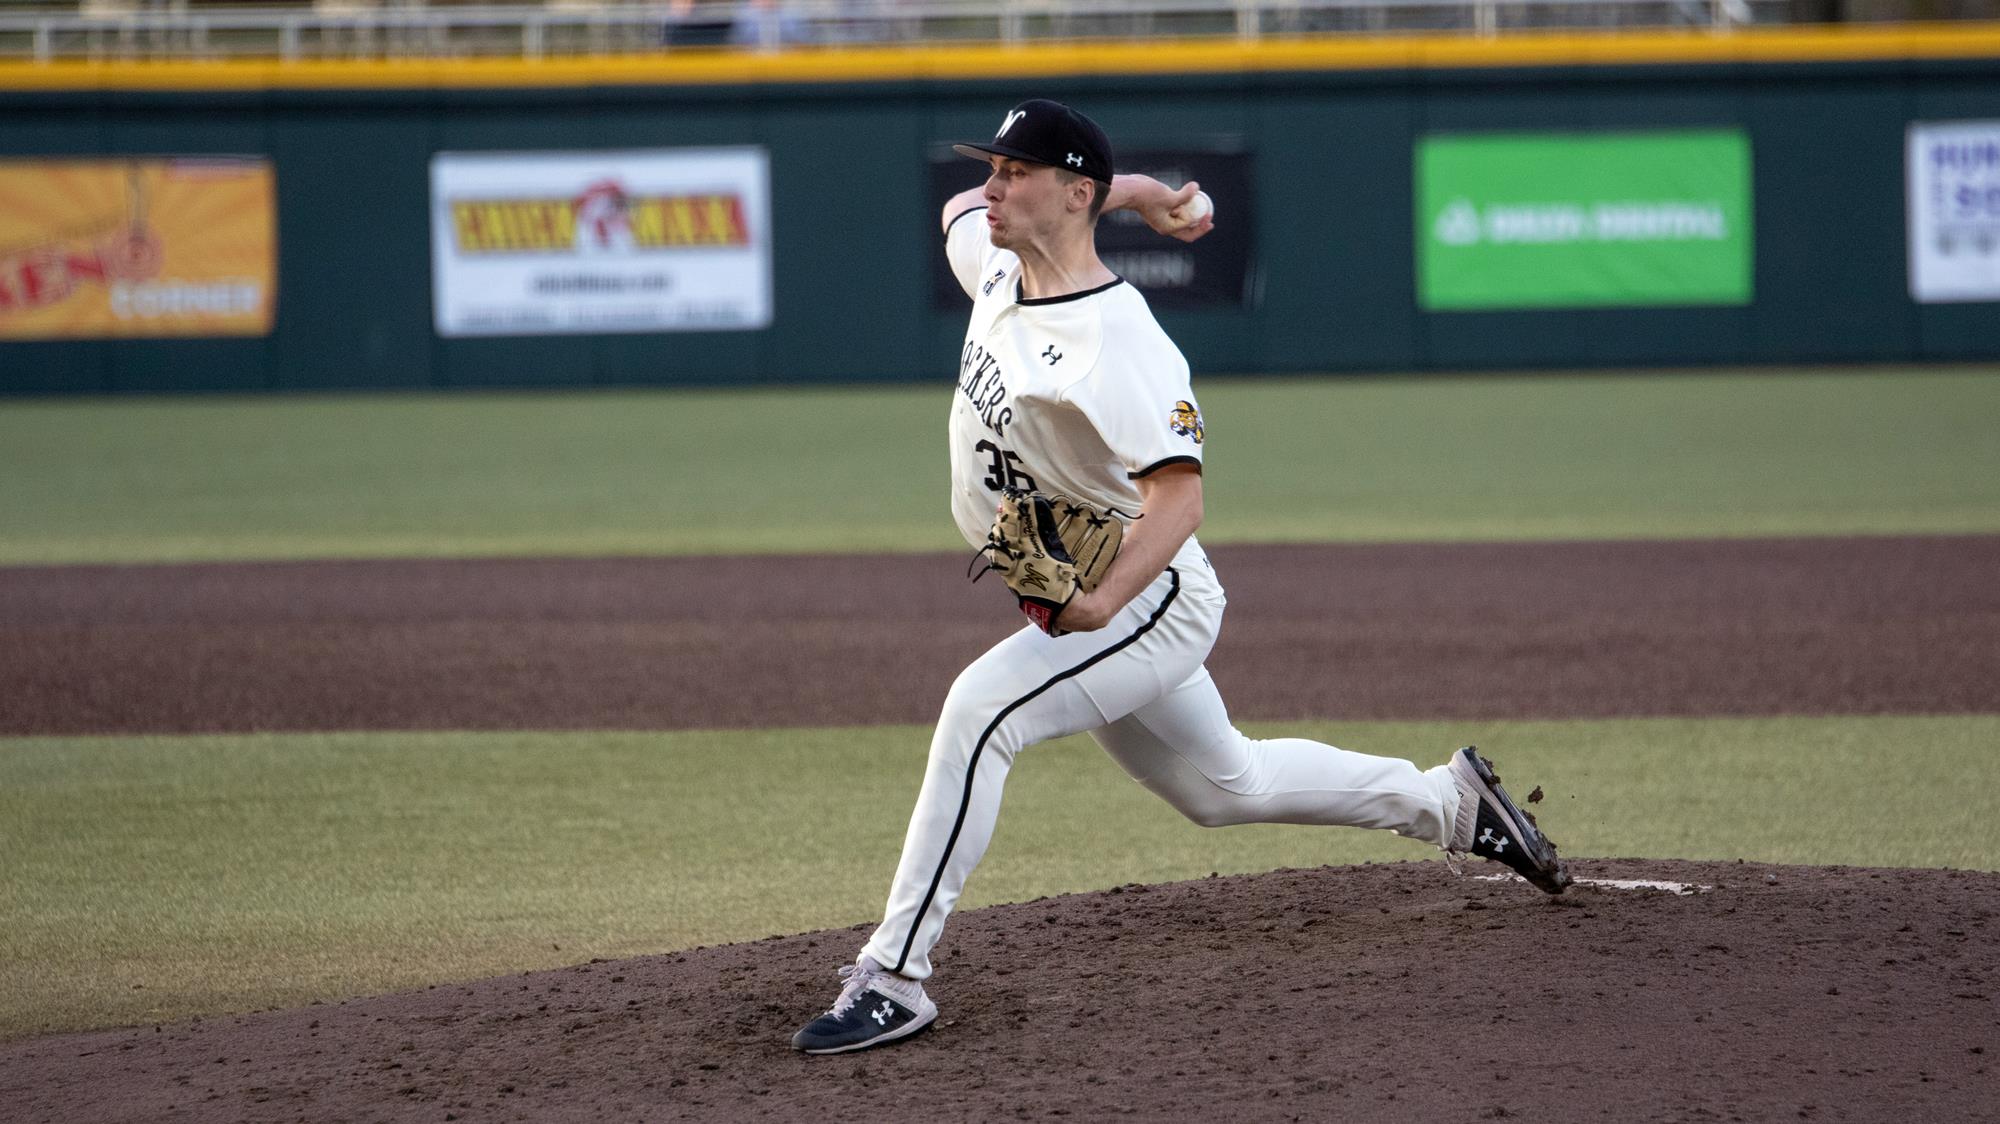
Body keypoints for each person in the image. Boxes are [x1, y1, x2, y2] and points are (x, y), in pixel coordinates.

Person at [791, 99, 1570, 1056]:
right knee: (1225, 786)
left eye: (1012, 173)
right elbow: (960, 206)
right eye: (992, 169)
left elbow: (1180, 503)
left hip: (1147, 596)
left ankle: (897, 976)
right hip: (1101, 591)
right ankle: (1450, 804)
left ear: (1071, 192)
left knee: (978, 713)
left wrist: (1099, 603)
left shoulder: (1123, 345)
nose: (989, 188)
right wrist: (1145, 191)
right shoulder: (997, 266)